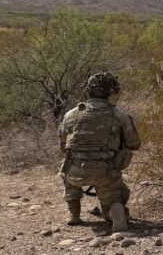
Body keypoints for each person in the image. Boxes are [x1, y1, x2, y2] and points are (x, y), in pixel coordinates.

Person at [58, 72, 141, 232]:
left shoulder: (71, 114)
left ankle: (74, 214)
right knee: (117, 194)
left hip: (76, 173)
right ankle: (113, 211)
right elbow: (134, 144)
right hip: (106, 172)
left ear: (88, 90)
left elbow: (63, 146)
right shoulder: (119, 115)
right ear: (111, 92)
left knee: (66, 166)